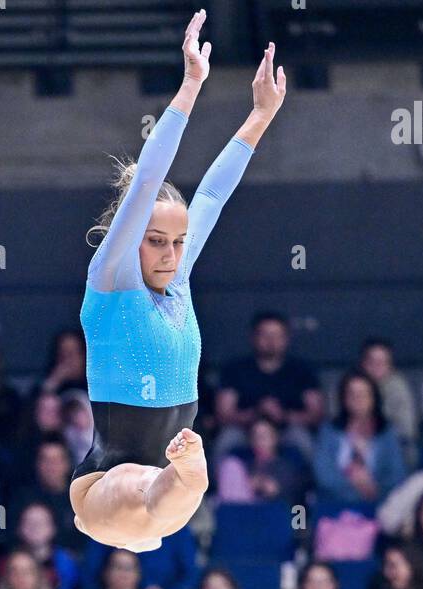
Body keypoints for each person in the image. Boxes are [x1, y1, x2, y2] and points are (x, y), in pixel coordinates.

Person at [69, 17, 287, 553]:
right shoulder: (111, 278)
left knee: (175, 494)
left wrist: (261, 115)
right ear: (130, 236)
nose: (170, 254)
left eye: (178, 242)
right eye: (156, 240)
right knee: (147, 493)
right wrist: (191, 84)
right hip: (105, 480)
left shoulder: (180, 281)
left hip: (165, 476)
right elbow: (147, 179)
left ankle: (180, 478)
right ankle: (176, 479)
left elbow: (211, 195)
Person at [215, 312, 324, 458]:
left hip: (287, 430)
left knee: (302, 439)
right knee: (227, 440)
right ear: (253, 337)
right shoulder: (235, 369)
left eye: (277, 335)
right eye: (265, 335)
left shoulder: (302, 370)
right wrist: (255, 413)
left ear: (286, 339)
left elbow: (316, 414)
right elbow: (223, 414)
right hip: (245, 430)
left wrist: (283, 416)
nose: (271, 341)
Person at [311, 370, 406, 510]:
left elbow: (397, 475)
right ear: (343, 398)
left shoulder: (387, 432)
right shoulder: (329, 430)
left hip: (379, 506)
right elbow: (323, 473)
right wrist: (356, 490)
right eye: (352, 394)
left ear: (373, 397)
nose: (357, 399)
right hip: (335, 505)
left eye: (363, 394)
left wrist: (375, 490)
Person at [216, 413, 309, 504]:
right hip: (242, 512)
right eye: (255, 436)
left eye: (264, 436)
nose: (259, 442)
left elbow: (297, 499)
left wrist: (276, 490)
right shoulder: (243, 464)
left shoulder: (286, 466)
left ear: (275, 438)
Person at [358, 336, 417, 459]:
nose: (376, 368)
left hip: (391, 446)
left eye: (382, 363)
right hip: (357, 445)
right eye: (372, 363)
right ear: (363, 364)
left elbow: (407, 430)